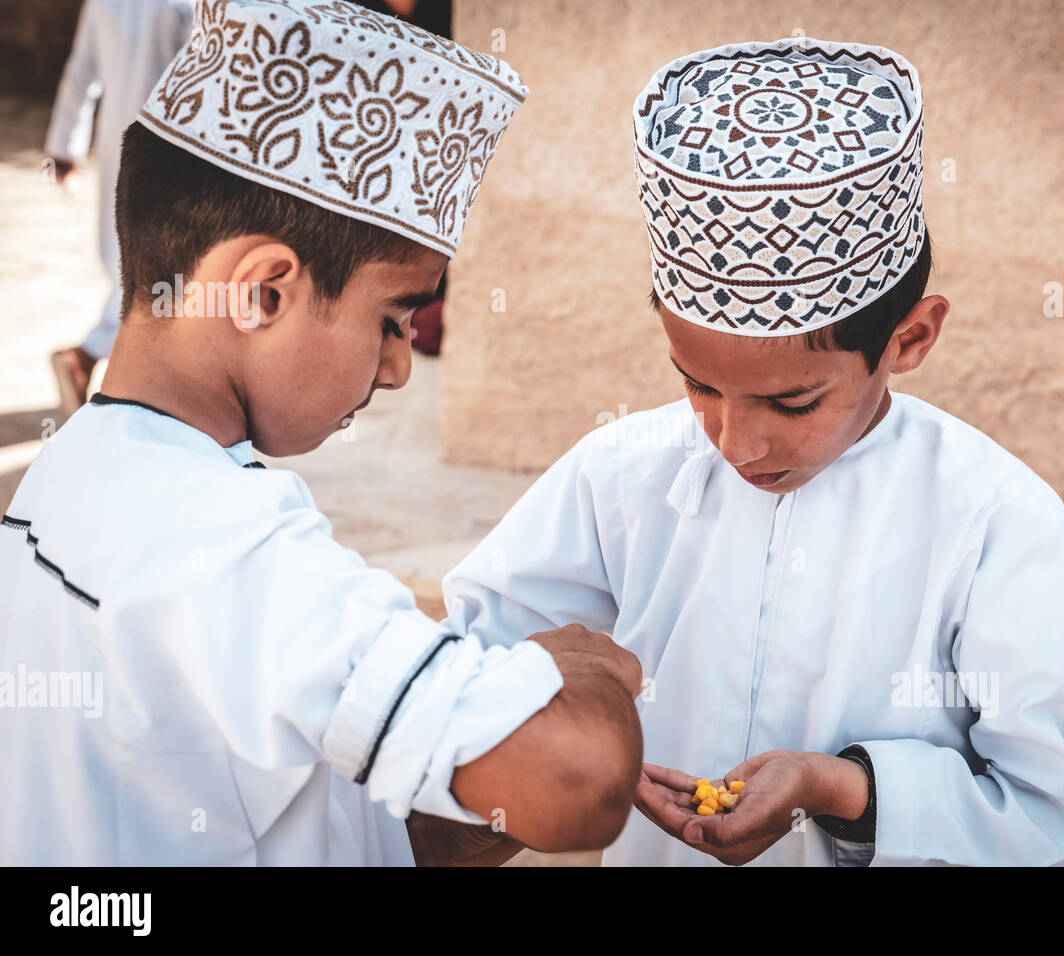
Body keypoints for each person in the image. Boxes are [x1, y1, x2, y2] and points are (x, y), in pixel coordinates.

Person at [435, 37, 1064, 866]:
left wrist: (842, 791)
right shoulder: (619, 473)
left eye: (791, 401)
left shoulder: (995, 520)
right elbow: (471, 671)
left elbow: (1059, 822)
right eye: (698, 385)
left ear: (911, 338)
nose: (734, 443)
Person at [0, 0, 642, 866]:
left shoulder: (72, 467)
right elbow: (578, 779)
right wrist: (582, 676)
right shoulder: (232, 546)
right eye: (391, 319)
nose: (398, 368)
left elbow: (280, 807)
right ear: (263, 293)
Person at [44, 0, 195, 416]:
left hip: (119, 137)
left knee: (129, 256)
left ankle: (102, 368)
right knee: (160, 267)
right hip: (172, 143)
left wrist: (63, 148)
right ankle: (95, 361)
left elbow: (81, 70)